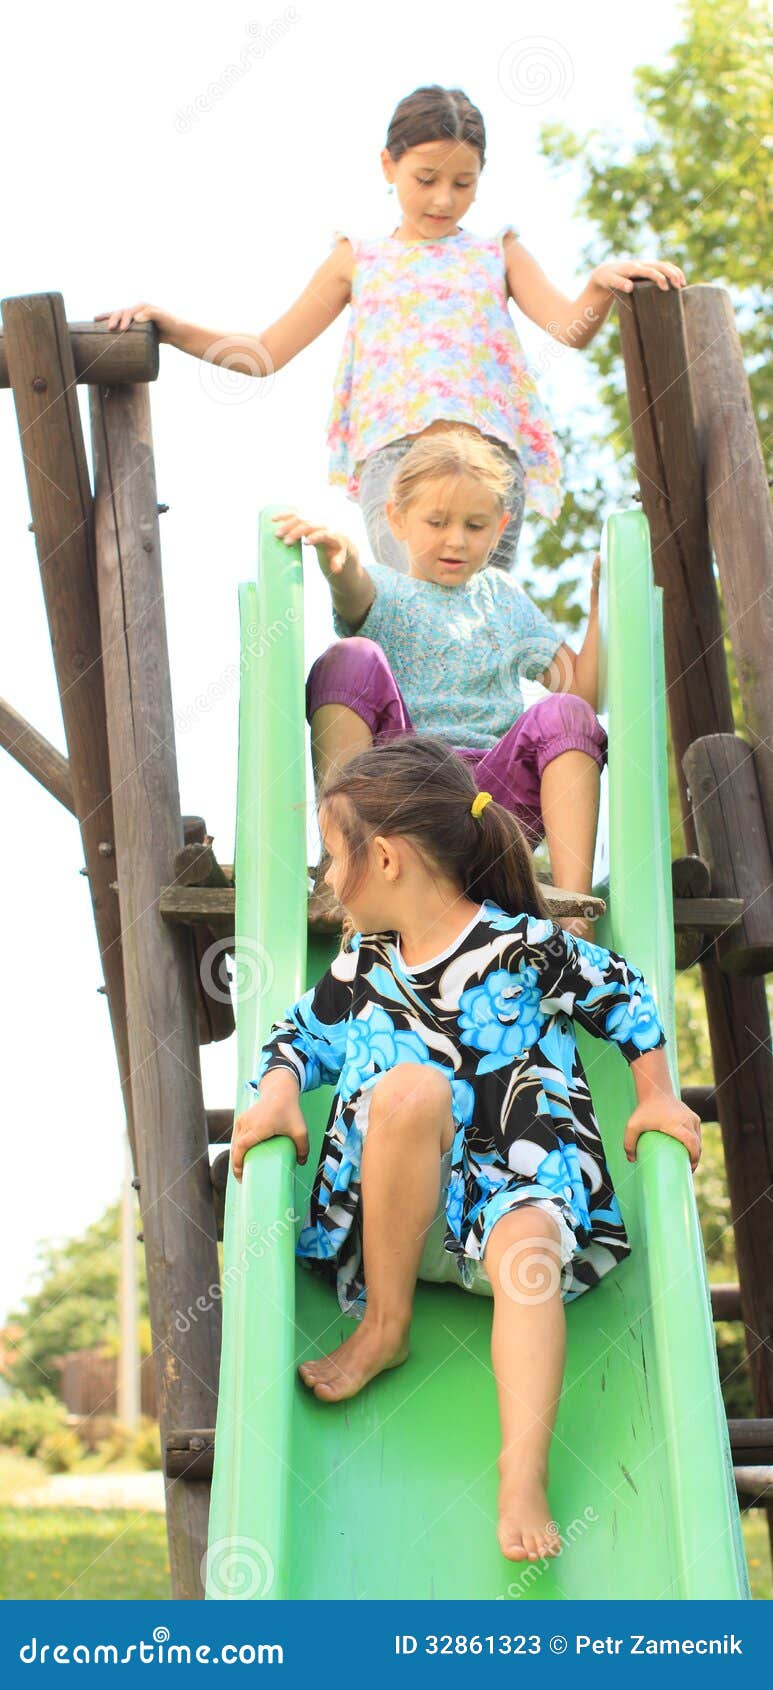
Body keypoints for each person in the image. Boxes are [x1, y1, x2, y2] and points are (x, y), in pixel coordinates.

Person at [231, 736, 702, 1565]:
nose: (326, 881)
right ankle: (384, 1326)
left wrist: (657, 1095)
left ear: (382, 858)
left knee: (526, 1244)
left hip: (513, 1215)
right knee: (409, 1090)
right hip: (396, 1226)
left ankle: (521, 1474)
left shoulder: (523, 948)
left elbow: (623, 995)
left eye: (331, 858)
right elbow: (295, 1038)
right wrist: (274, 1094)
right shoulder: (364, 966)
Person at [98, 84, 685, 574]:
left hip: (489, 461)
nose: (444, 198)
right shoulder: (360, 258)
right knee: (412, 602)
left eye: (463, 182)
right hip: (397, 458)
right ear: (389, 165)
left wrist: (600, 286)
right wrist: (175, 330)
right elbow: (265, 352)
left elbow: (569, 328)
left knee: (482, 616)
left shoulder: (496, 250)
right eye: (426, 178)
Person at [276, 431, 606, 937]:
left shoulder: (505, 600)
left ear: (499, 529)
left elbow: (581, 695)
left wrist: (603, 605)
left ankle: (570, 907)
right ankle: (345, 856)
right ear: (396, 519)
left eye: (475, 526)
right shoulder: (385, 589)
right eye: (436, 522)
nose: (456, 540)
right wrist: (339, 560)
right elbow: (354, 588)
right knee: (349, 659)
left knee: (564, 713)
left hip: (493, 808)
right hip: (400, 792)